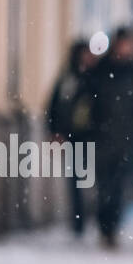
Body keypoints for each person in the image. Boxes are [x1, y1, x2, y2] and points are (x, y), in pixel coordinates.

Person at [83, 26, 133, 249]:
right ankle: (105, 227)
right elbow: (88, 103)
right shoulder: (101, 71)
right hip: (102, 139)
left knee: (120, 188)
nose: (127, 48)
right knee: (104, 187)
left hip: (127, 141)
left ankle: (112, 227)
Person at [44, 39, 96, 237]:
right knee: (76, 180)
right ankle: (79, 221)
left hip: (92, 137)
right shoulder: (68, 79)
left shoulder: (94, 78)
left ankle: (90, 218)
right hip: (73, 137)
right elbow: (54, 105)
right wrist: (55, 131)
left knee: (88, 180)